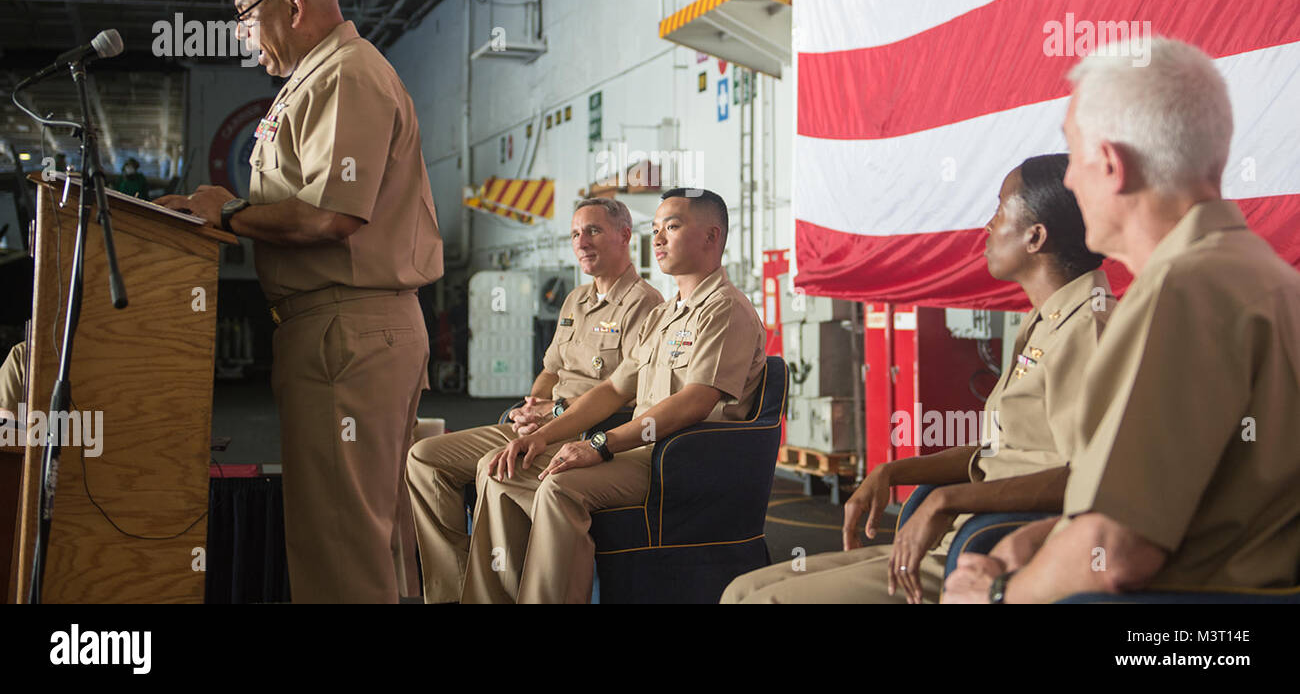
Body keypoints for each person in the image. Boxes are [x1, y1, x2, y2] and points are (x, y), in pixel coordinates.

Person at [944, 37, 1300, 604]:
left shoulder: (1180, 295)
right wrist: (1044, 537)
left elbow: (1116, 552)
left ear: (1109, 165)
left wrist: (996, 595)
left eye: (1075, 159)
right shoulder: (1265, 278)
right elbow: (1194, 512)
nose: (1071, 185)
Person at [157, 0, 444, 603]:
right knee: (369, 535)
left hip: (347, 329)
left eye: (245, 16)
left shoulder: (345, 74)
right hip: (341, 330)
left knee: (341, 543)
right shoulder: (316, 79)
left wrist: (226, 211)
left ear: (292, 4)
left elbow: (332, 216)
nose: (242, 36)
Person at [723, 154, 1113, 603]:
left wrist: (949, 501)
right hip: (956, 539)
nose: (987, 226)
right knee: (744, 588)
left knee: (760, 601)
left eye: (1000, 208)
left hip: (994, 557)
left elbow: (1088, 477)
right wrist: (893, 469)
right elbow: (1003, 454)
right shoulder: (1045, 322)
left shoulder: (1089, 327)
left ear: (1035, 236)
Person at [461, 187, 766, 603]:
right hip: (643, 452)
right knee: (503, 471)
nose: (656, 239)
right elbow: (612, 389)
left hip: (683, 460)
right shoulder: (664, 315)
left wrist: (603, 444)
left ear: (712, 237)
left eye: (672, 227)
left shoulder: (724, 310)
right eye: (655, 228)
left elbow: (696, 400)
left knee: (560, 488)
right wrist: (542, 436)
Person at [405, 197, 662, 604]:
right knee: (423, 458)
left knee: (499, 469)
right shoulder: (575, 300)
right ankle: (452, 590)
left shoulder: (645, 304)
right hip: (540, 422)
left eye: (593, 230)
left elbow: (625, 392)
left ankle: (497, 595)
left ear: (625, 235)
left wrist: (555, 414)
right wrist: (531, 407)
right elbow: (551, 370)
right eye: (576, 233)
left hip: (586, 430)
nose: (582, 242)